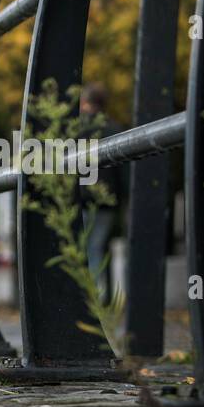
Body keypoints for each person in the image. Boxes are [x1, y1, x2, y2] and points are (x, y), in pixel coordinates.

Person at [80, 84, 125, 303]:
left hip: (81, 198)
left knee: (85, 248)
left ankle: (90, 296)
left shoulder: (75, 129)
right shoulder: (114, 129)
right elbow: (123, 171)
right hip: (107, 201)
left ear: (84, 103)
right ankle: (100, 294)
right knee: (97, 247)